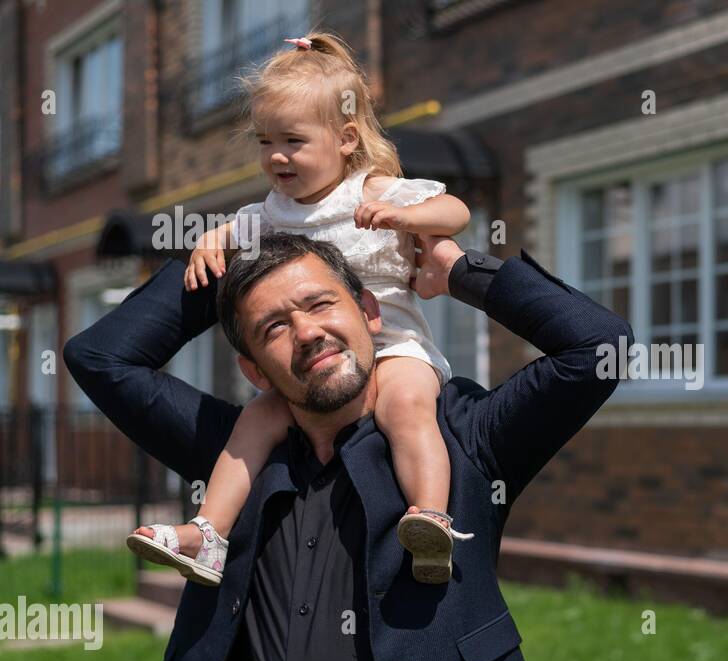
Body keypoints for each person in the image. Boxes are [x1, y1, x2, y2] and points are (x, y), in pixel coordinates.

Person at [65, 229, 632, 661]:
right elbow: (100, 357)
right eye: (274, 327)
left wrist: (458, 269)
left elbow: (597, 347)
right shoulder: (234, 454)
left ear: (369, 311)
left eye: (319, 304)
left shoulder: (464, 435)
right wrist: (217, 261)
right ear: (255, 370)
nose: (307, 333)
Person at [127, 31, 473, 586]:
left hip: (394, 347)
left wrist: (405, 219)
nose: (277, 156)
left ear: (345, 138)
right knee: (255, 420)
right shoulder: (272, 211)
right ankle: (210, 534)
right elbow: (224, 231)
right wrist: (208, 243)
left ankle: (431, 519)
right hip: (316, 364)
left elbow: (454, 212)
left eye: (292, 140)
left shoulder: (373, 188)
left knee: (407, 407)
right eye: (265, 142)